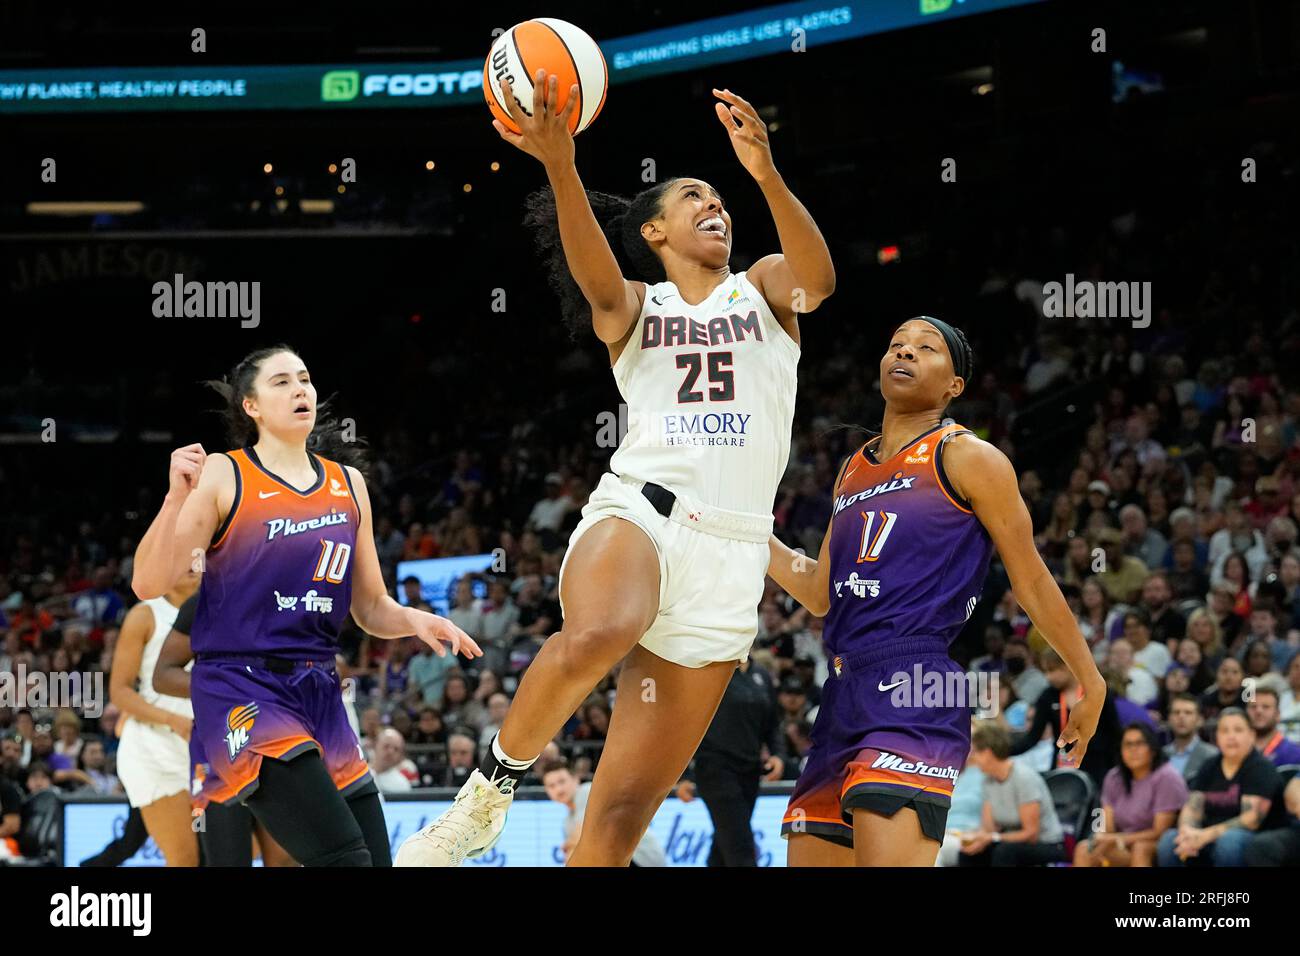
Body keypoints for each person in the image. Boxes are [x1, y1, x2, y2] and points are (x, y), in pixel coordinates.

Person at [397, 75, 834, 867]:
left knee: (620, 819)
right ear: (656, 231)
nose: (716, 204)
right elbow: (594, 275)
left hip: (735, 558)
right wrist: (560, 165)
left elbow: (820, 281)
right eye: (694, 196)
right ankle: (488, 794)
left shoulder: (766, 287)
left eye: (719, 196)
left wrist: (765, 173)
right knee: (600, 629)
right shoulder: (636, 305)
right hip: (644, 513)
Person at [769, 318, 1104, 866]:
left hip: (917, 687)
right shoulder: (851, 470)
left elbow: (1032, 579)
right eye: (896, 343)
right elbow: (820, 593)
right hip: (840, 693)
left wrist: (1090, 681)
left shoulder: (969, 457)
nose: (905, 351)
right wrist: (744, 529)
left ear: (955, 386)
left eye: (926, 348)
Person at [131, 345, 479, 867]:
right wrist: (174, 499)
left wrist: (413, 619)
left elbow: (370, 607)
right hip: (240, 687)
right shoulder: (226, 474)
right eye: (282, 382)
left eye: (305, 379)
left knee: (372, 863)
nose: (300, 390)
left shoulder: (349, 486)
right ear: (251, 406)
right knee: (345, 859)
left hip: (318, 689)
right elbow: (148, 581)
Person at [152, 593, 295, 867]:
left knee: (285, 861)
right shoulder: (203, 603)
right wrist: (232, 688)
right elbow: (162, 677)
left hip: (280, 741)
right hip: (219, 749)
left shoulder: (289, 596)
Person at [109, 570, 201, 866]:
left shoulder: (222, 609)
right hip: (154, 748)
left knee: (228, 852)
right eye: (181, 558)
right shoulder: (146, 615)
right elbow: (120, 692)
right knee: (184, 859)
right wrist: (173, 720)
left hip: (208, 747)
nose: (192, 563)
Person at [675, 654, 783, 866]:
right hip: (715, 768)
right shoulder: (709, 668)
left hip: (750, 770)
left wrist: (778, 754)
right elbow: (687, 722)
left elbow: (773, 723)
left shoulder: (760, 674)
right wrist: (684, 774)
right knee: (741, 848)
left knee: (723, 848)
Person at [1157, 708, 1283, 867]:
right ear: (1217, 737)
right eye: (1224, 731)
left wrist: (1205, 835)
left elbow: (1251, 819)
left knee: (1229, 842)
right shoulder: (1210, 765)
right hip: (1206, 834)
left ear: (1251, 735)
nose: (1231, 736)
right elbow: (1192, 806)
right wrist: (1186, 833)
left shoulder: (1261, 768)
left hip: (1252, 837)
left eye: (1238, 730)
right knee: (1170, 839)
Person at [1074, 723, 1186, 867]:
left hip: (1159, 845)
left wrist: (1118, 839)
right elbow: (1102, 816)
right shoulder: (1113, 777)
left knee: (1140, 848)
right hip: (1122, 842)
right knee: (1084, 849)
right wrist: (1100, 835)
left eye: (1139, 743)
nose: (1133, 749)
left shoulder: (1167, 777)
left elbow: (1160, 831)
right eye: (1127, 744)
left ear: (1152, 749)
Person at [958, 722, 1067, 866]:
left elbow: (1031, 834)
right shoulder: (987, 781)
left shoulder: (1023, 778)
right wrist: (979, 838)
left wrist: (993, 837)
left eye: (975, 752)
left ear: (988, 753)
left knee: (1004, 852)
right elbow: (989, 829)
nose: (972, 758)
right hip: (1009, 842)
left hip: (1047, 843)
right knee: (969, 853)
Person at [1010, 648, 1120, 790]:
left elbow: (1115, 733)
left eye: (1052, 670)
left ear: (1068, 666)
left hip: (1099, 764)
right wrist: (1004, 750)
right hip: (1063, 764)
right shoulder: (1047, 696)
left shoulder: (1095, 693)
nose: (1048, 677)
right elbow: (1032, 738)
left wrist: (1116, 768)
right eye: (1045, 671)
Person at [542, 759, 666, 867]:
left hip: (642, 858)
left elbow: (582, 834)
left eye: (562, 782)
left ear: (576, 779)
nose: (558, 789)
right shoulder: (567, 822)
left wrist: (570, 846)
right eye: (551, 786)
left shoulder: (587, 791)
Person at [1163, 693, 1218, 782]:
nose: (1181, 717)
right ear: (1169, 719)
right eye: (1176, 712)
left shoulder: (1212, 756)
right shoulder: (1160, 755)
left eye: (1188, 713)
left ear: (1200, 720)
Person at [1247, 688, 1300, 766]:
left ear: (1278, 714)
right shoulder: (1234, 751)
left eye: (1266, 707)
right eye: (1253, 707)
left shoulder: (1295, 754)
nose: (1258, 711)